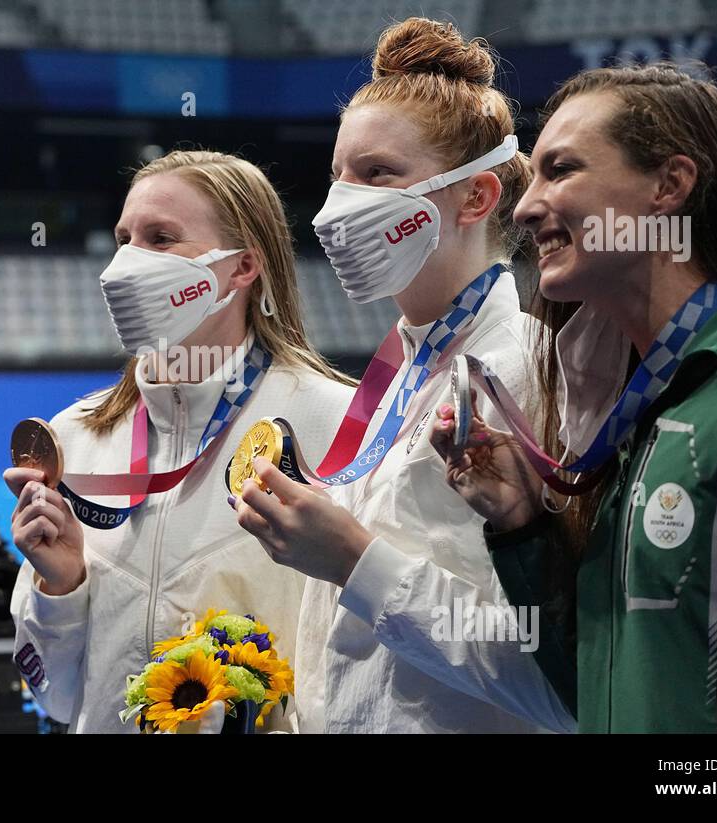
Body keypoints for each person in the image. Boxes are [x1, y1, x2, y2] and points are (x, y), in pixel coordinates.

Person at [430, 62, 717, 732]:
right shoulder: (626, 412)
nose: (527, 205)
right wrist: (522, 525)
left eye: (559, 170)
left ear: (669, 185)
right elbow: (588, 694)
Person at [233, 18, 573, 732]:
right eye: (338, 175)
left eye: (378, 174)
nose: (337, 206)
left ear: (475, 197)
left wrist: (356, 560)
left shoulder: (533, 375)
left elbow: (557, 681)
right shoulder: (398, 376)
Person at [5, 150, 357, 733]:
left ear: (243, 266)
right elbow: (57, 697)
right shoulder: (74, 436)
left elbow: (358, 667)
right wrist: (60, 586)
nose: (125, 264)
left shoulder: (337, 427)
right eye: (124, 238)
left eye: (161, 238)